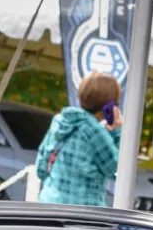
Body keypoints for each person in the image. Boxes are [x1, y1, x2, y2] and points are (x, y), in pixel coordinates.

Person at [34, 72, 123, 207]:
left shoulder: (59, 122)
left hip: (49, 207)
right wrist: (116, 131)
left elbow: (41, 169)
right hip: (83, 215)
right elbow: (118, 170)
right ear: (109, 105)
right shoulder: (94, 131)